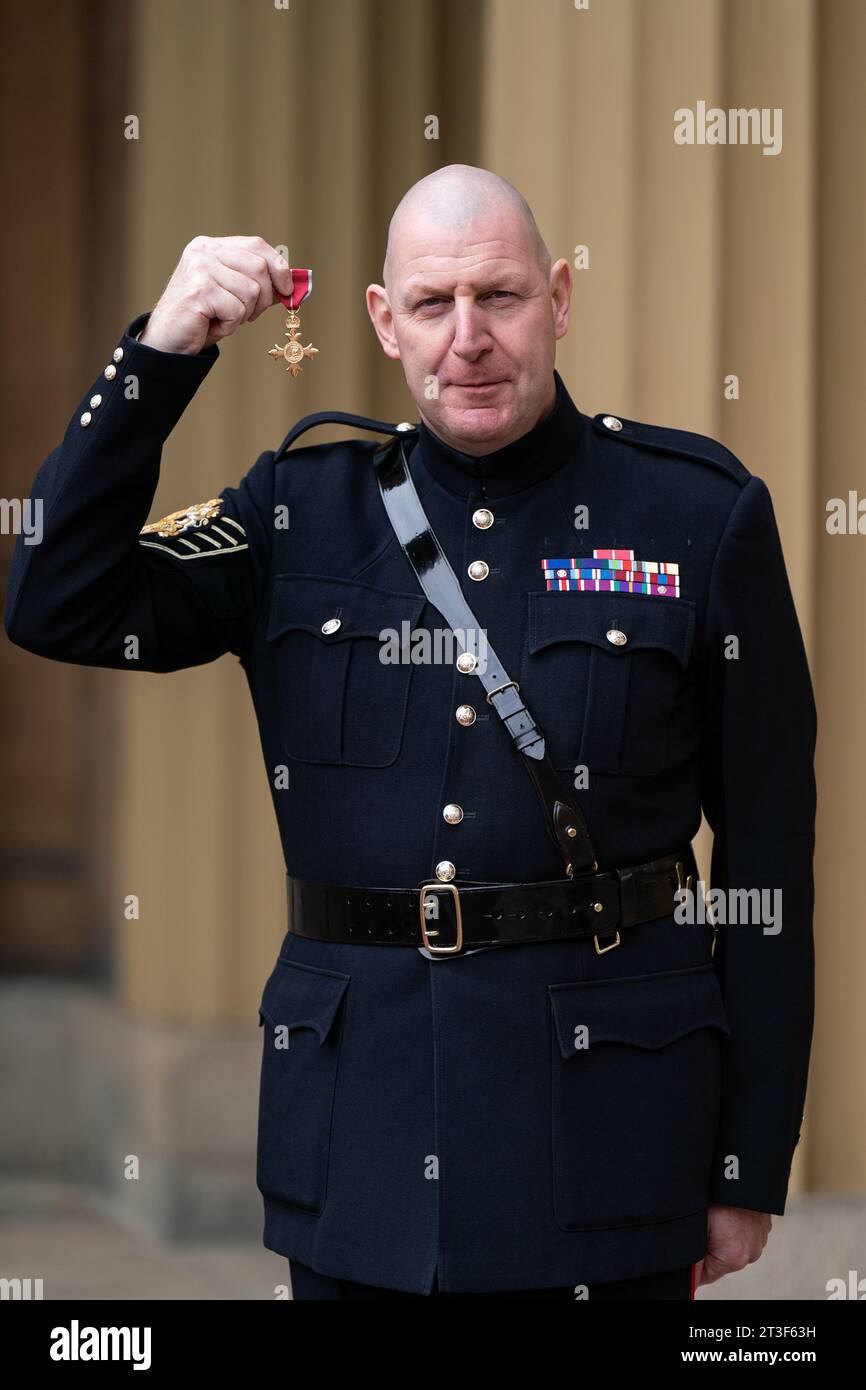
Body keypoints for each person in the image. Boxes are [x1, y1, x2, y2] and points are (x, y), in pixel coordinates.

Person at [4, 164, 816, 1299]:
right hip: (360, 1154)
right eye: (432, 304)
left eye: (500, 296)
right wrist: (162, 353)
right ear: (385, 322)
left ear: (560, 299)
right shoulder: (295, 512)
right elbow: (54, 597)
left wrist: (744, 1159)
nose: (467, 337)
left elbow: (769, 857)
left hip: (608, 1150)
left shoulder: (692, 513)